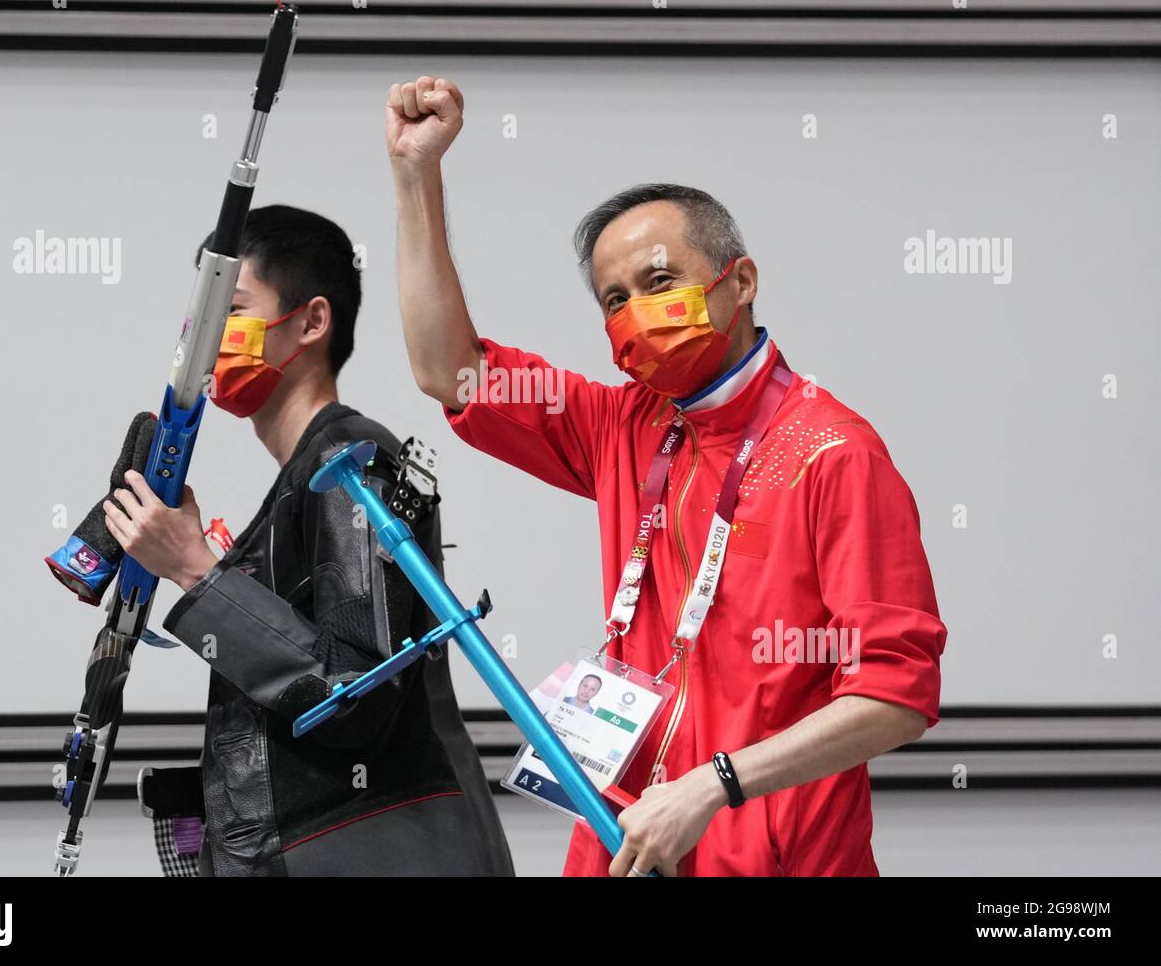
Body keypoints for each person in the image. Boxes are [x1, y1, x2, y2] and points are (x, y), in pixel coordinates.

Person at [385, 75, 947, 878]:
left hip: (776, 859)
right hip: (622, 852)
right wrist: (416, 176)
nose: (636, 312)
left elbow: (896, 695)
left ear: (740, 281)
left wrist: (716, 786)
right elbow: (453, 372)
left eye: (658, 282)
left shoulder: (834, 453)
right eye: (614, 299)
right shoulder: (626, 425)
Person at [102, 204, 514, 877]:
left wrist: (196, 571)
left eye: (230, 311)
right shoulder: (300, 483)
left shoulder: (351, 460)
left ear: (311, 321)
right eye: (199, 318)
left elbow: (354, 690)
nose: (206, 340)